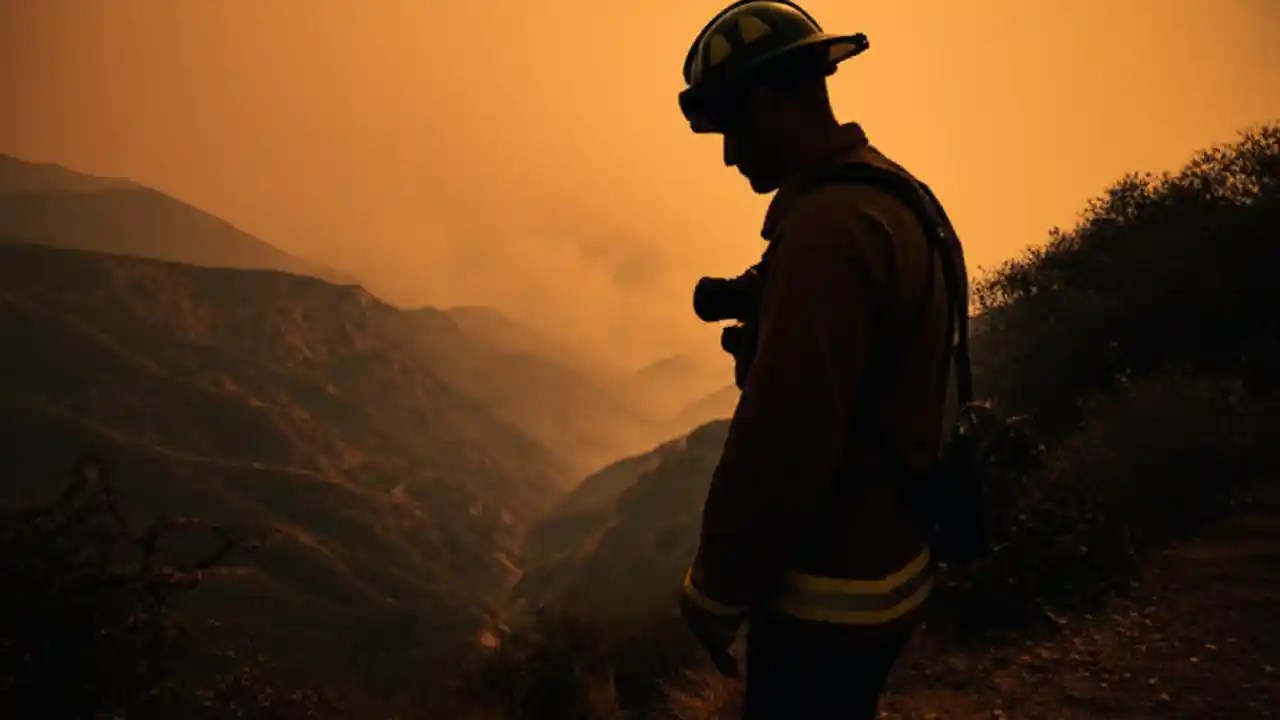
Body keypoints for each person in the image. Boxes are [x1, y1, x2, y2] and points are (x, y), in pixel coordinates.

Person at [676, 2, 969, 717]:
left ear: (771, 102)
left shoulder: (828, 233)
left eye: (732, 127)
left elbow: (781, 443)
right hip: (891, 563)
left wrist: (715, 590)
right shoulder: (891, 194)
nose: (728, 153)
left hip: (831, 594)